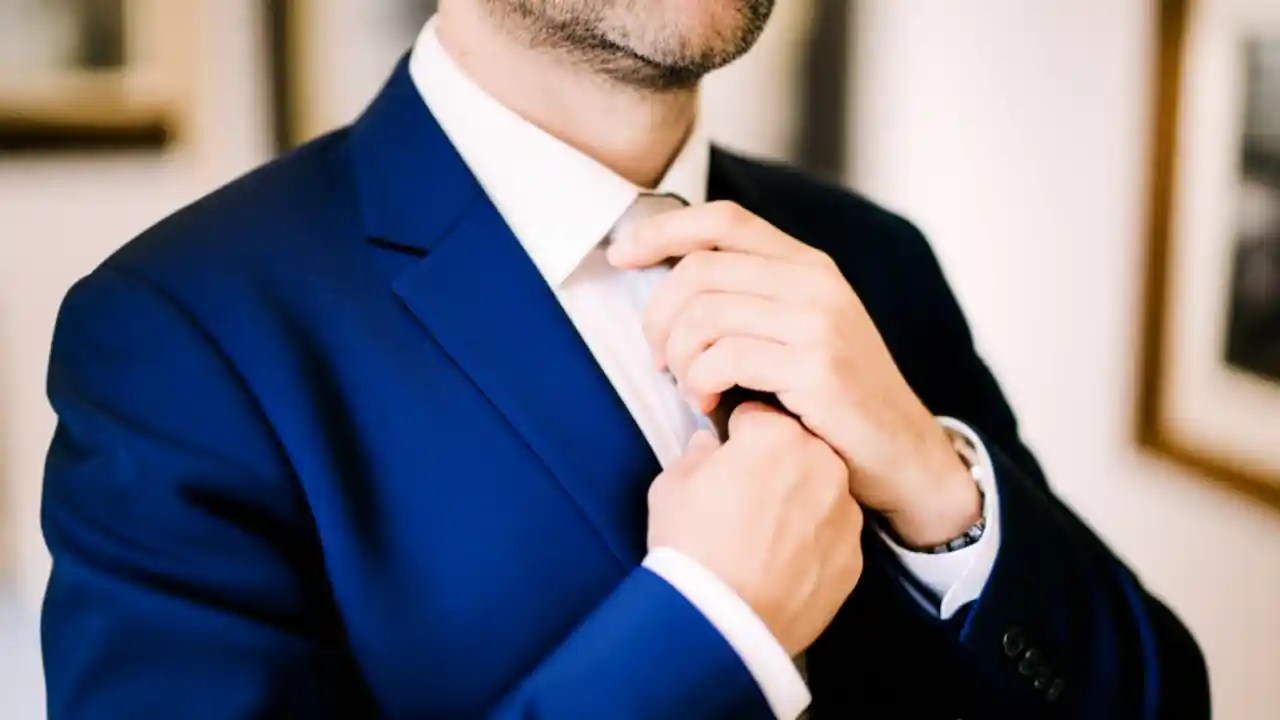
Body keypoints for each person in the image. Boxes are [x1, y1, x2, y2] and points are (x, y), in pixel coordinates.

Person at [41, 1, 1208, 718]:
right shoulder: (178, 335)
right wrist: (709, 630)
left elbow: (1158, 701)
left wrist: (937, 489)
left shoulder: (873, 258)